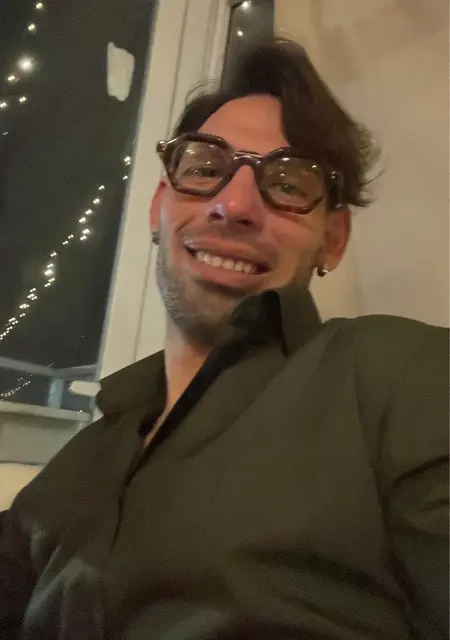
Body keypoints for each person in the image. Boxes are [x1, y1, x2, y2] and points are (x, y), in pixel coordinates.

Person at [0, 38, 448, 640]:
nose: (234, 205)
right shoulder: (81, 461)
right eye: (205, 169)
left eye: (288, 183)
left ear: (333, 239)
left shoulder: (400, 378)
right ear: (159, 208)